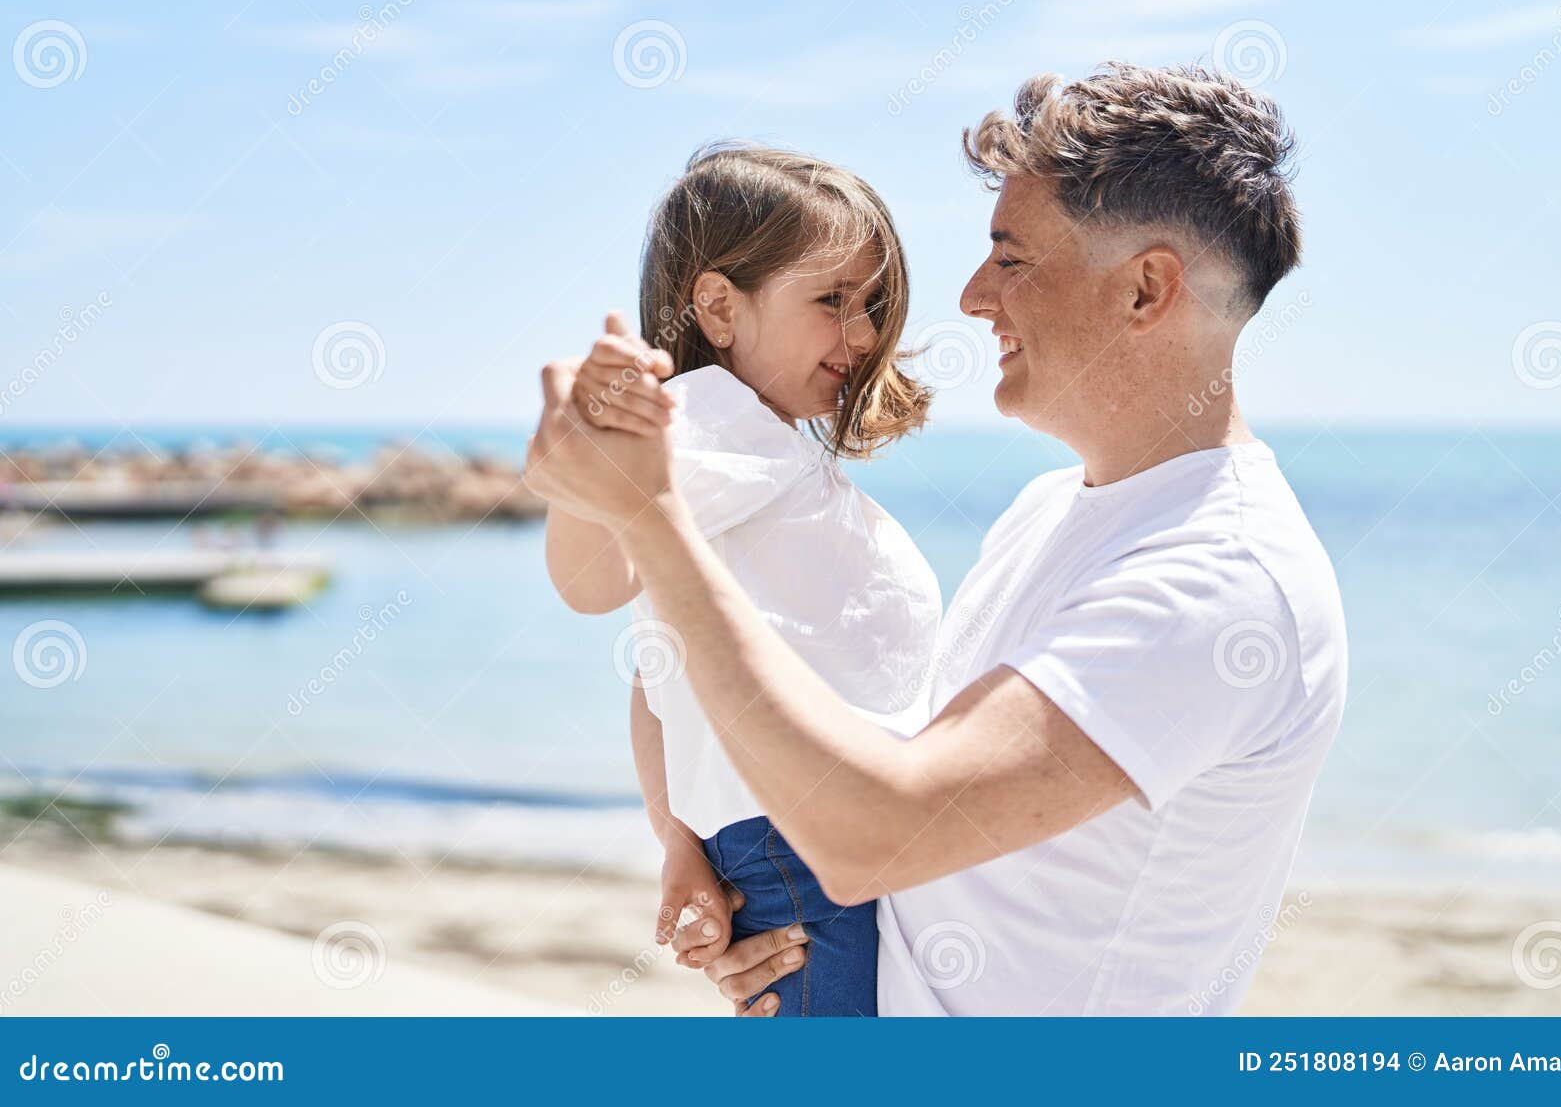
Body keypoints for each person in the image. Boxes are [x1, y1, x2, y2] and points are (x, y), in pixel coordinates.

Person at [526, 62, 1347, 1015]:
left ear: (1144, 290)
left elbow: (875, 832)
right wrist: (734, 885)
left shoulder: (1218, 580)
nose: (967, 296)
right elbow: (715, 699)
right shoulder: (1048, 513)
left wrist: (645, 515)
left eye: (1010, 256)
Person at [541, 144, 941, 1016]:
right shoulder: (709, 418)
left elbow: (657, 680)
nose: (864, 334)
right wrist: (591, 456)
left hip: (814, 843)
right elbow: (590, 579)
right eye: (832, 300)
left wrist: (677, 839)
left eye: (871, 305)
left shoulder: (760, 446)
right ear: (719, 307)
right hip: (807, 849)